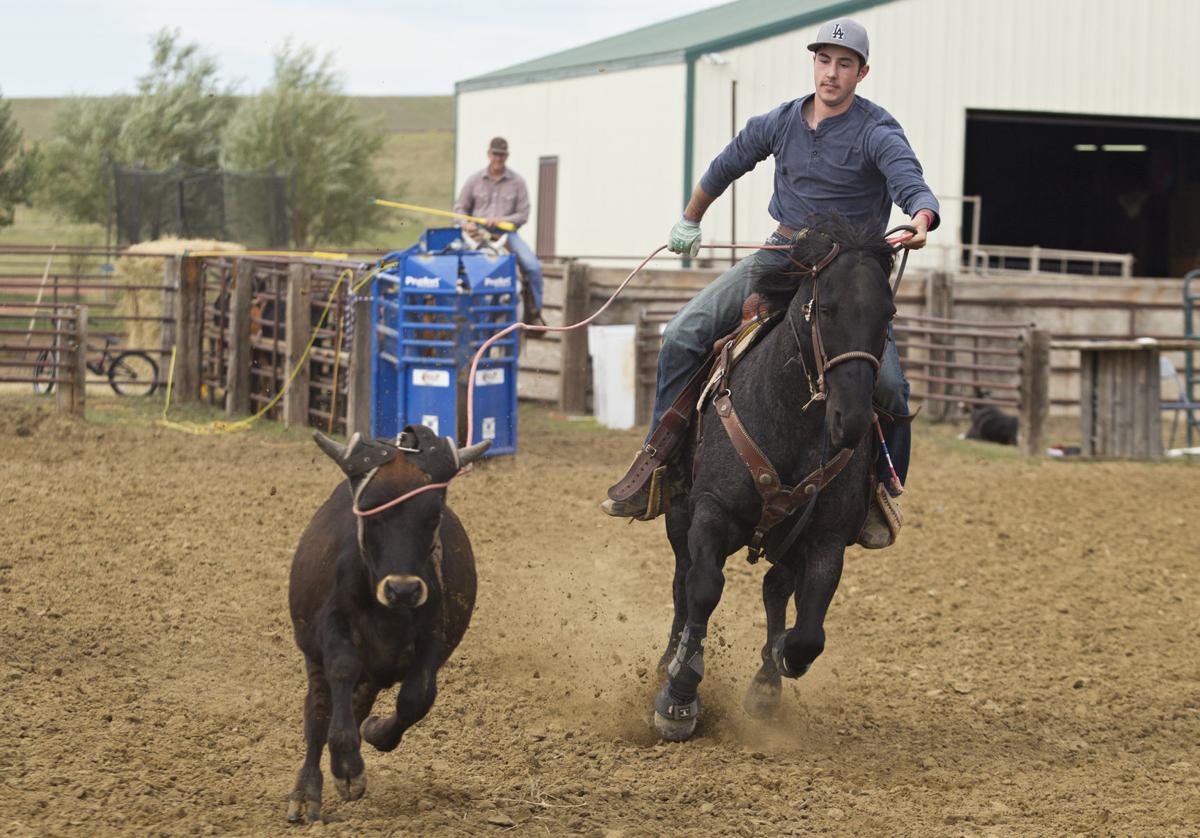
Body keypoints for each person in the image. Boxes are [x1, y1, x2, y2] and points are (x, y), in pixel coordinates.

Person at [601, 17, 939, 550]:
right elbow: (724, 167)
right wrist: (690, 219)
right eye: (824, 60)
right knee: (682, 334)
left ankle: (878, 486)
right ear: (814, 63)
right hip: (782, 254)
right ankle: (657, 462)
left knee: (891, 385)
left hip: (848, 272)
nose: (832, 73)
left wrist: (920, 220)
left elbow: (911, 184)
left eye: (844, 64)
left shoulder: (878, 131)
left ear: (861, 72)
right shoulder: (780, 122)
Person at [454, 136, 545, 323]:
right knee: (449, 261)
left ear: (507, 156)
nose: (498, 158)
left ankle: (534, 312)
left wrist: (502, 220)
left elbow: (523, 214)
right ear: (489, 154)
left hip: (506, 235)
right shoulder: (474, 180)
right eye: (495, 154)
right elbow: (460, 208)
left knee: (533, 266)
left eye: (502, 155)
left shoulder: (517, 182)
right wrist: (465, 223)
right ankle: (450, 309)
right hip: (475, 234)